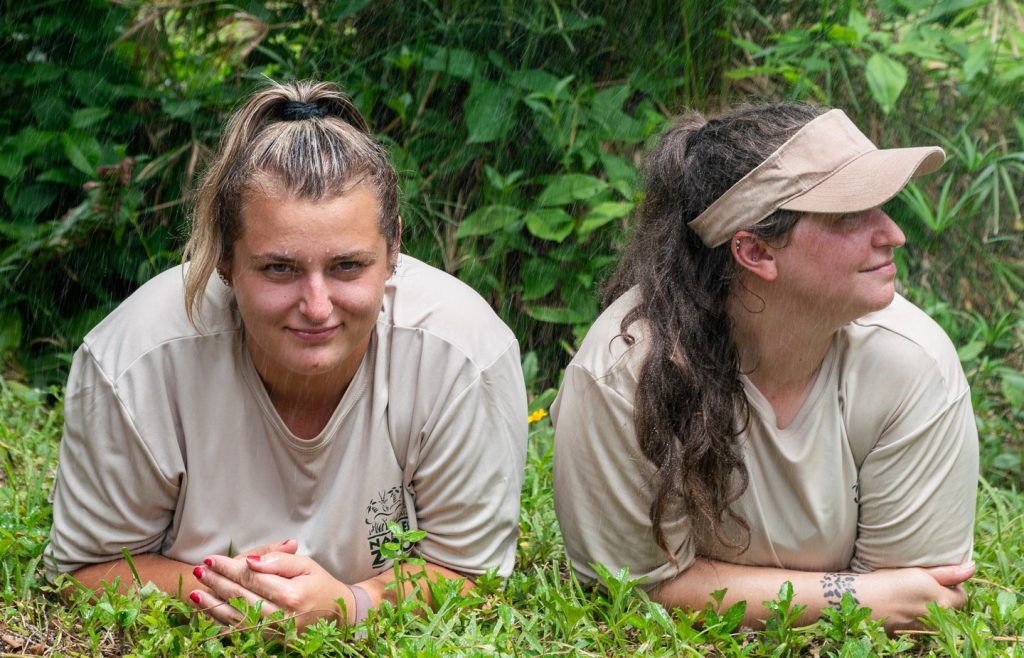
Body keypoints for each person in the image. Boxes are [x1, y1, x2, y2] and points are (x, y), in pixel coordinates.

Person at [47, 80, 528, 631]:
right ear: (225, 259)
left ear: (394, 248)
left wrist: (351, 607)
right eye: (280, 268)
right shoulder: (134, 361)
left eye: (348, 266)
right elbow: (86, 569)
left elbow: (472, 578)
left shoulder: (465, 358)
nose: (317, 306)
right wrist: (247, 599)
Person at [551, 103, 979, 633]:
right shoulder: (622, 375)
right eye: (850, 214)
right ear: (755, 251)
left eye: (881, 207)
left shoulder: (912, 363)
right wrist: (856, 596)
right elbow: (629, 592)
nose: (893, 233)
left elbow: (917, 609)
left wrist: (710, 590)